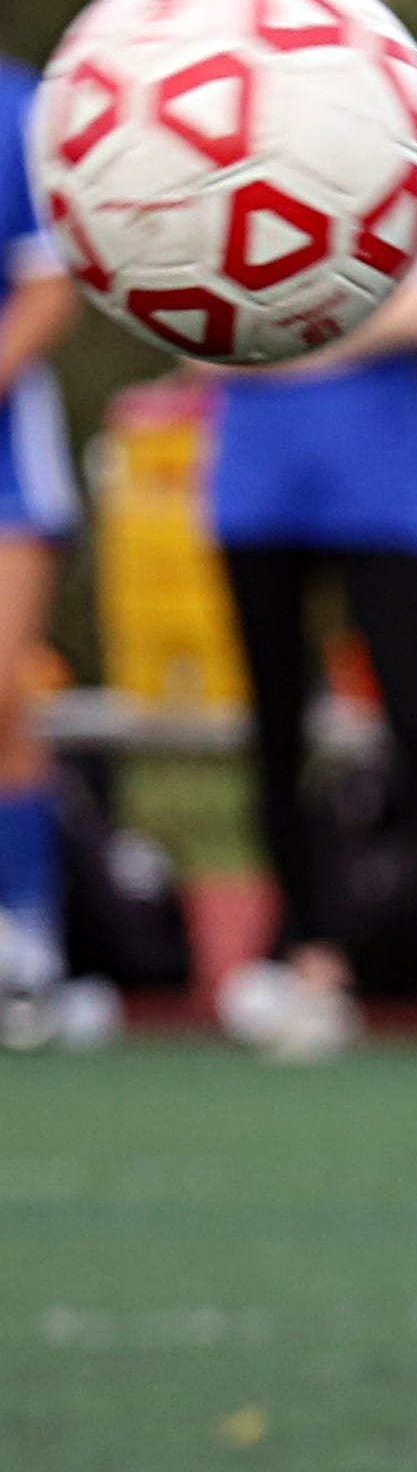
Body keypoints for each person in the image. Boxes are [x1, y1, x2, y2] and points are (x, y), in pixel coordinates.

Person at [206, 0, 417, 1069]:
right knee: (276, 729)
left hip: (380, 483)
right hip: (255, 483)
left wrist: (298, 340)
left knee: (416, 723)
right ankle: (309, 962)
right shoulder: (211, 143)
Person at [0, 52, 81, 1050]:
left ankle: (27, 942)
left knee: (3, 694)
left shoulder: (20, 107)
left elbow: (52, 284)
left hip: (7, 464)